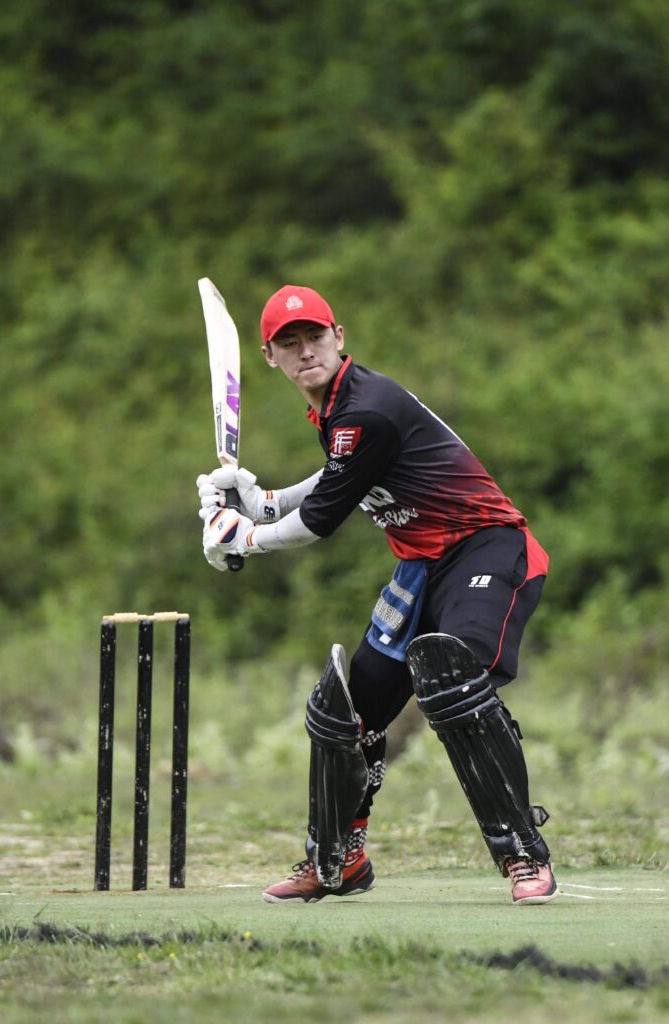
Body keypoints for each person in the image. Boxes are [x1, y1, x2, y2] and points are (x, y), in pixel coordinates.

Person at [196, 284, 558, 906]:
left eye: (315, 336)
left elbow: (318, 523)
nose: (305, 350)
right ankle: (337, 860)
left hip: (486, 548)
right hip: (420, 567)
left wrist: (246, 536)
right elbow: (342, 477)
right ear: (270, 357)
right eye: (290, 343)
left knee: (453, 677)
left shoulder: (367, 407)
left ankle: (523, 853)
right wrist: (265, 501)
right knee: (344, 712)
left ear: (340, 339)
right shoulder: (338, 412)